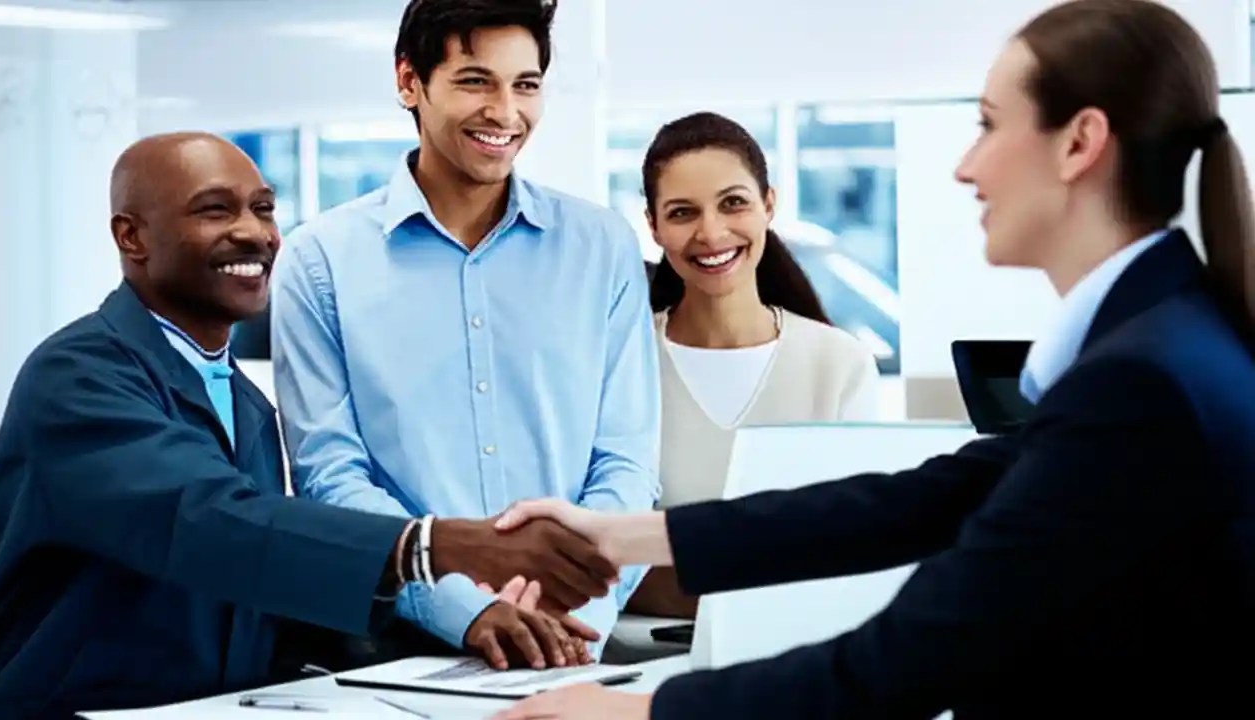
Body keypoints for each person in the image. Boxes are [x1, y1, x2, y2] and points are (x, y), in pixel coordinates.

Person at [488, 1, 1255, 717]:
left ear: (1080, 143)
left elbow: (911, 658)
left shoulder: (1140, 379)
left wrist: (643, 712)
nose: (965, 166)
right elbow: (923, 500)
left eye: (988, 125)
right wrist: (621, 537)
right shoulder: (1158, 341)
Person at [0, 132, 614, 719]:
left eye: (263, 208)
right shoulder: (78, 377)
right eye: (215, 210)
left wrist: (467, 618)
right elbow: (211, 522)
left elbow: (259, 593)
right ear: (132, 237)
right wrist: (439, 547)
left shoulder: (243, 402)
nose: (255, 234)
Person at [269, 0, 659, 665]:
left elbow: (626, 460)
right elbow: (330, 476)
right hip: (394, 650)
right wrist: (464, 607)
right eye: (476, 80)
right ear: (409, 82)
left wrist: (570, 605)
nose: (505, 112)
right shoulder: (320, 260)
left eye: (526, 85)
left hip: (575, 641)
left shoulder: (601, 247)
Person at [628, 112, 881, 618]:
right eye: (682, 213)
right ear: (653, 226)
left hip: (793, 653)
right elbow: (605, 558)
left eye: (733, 204)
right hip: (637, 656)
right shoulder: (623, 360)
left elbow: (853, 546)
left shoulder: (838, 364)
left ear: (769, 204)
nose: (711, 232)